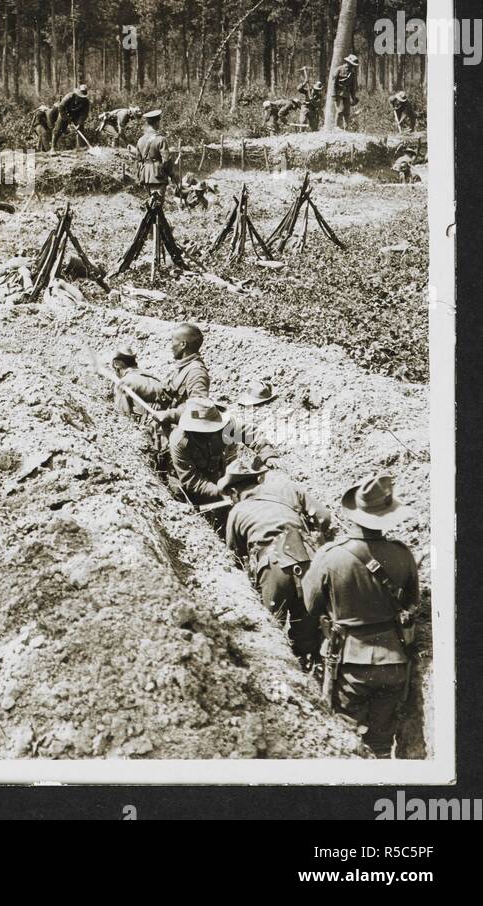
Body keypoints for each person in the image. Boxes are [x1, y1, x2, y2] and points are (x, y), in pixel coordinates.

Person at [303, 474, 419, 757]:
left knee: (347, 739)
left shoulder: (330, 555)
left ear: (353, 514)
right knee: (381, 741)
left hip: (349, 663)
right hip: (394, 662)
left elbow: (311, 605)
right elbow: (412, 603)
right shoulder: (403, 555)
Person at [220, 452, 330, 662]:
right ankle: (306, 664)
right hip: (309, 561)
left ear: (233, 492)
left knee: (271, 630)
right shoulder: (285, 495)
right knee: (306, 630)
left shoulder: (237, 511)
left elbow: (233, 555)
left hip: (274, 566)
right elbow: (323, 516)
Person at [133, 323, 211, 432]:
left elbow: (198, 409)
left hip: (181, 428)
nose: (171, 346)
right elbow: (166, 393)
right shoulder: (183, 367)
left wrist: (170, 415)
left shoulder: (196, 372)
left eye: (173, 341)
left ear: (183, 344)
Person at [109, 344, 162, 422]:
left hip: (152, 426)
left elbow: (123, 418)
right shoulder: (152, 377)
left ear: (116, 364)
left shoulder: (123, 383)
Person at [134, 108, 175, 201]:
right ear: (157, 123)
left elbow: (138, 160)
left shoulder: (140, 140)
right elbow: (166, 160)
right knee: (157, 203)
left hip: (145, 176)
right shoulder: (161, 139)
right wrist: (171, 174)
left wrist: (139, 176)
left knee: (152, 202)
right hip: (158, 176)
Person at [50, 84, 91, 151]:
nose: (81, 98)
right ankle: (53, 147)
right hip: (64, 112)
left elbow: (84, 114)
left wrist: (79, 123)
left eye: (82, 97)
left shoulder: (86, 101)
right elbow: (61, 107)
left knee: (80, 128)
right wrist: (66, 118)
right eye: (80, 96)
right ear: (77, 94)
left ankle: (80, 147)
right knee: (58, 129)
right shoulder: (69, 96)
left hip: (76, 115)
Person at [331, 53, 360, 130]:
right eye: (352, 64)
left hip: (346, 94)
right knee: (340, 111)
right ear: (348, 62)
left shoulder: (352, 73)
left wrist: (353, 97)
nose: (352, 66)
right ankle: (337, 127)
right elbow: (333, 83)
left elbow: (352, 87)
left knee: (347, 112)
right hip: (339, 93)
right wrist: (334, 95)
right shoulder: (339, 69)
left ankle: (346, 128)